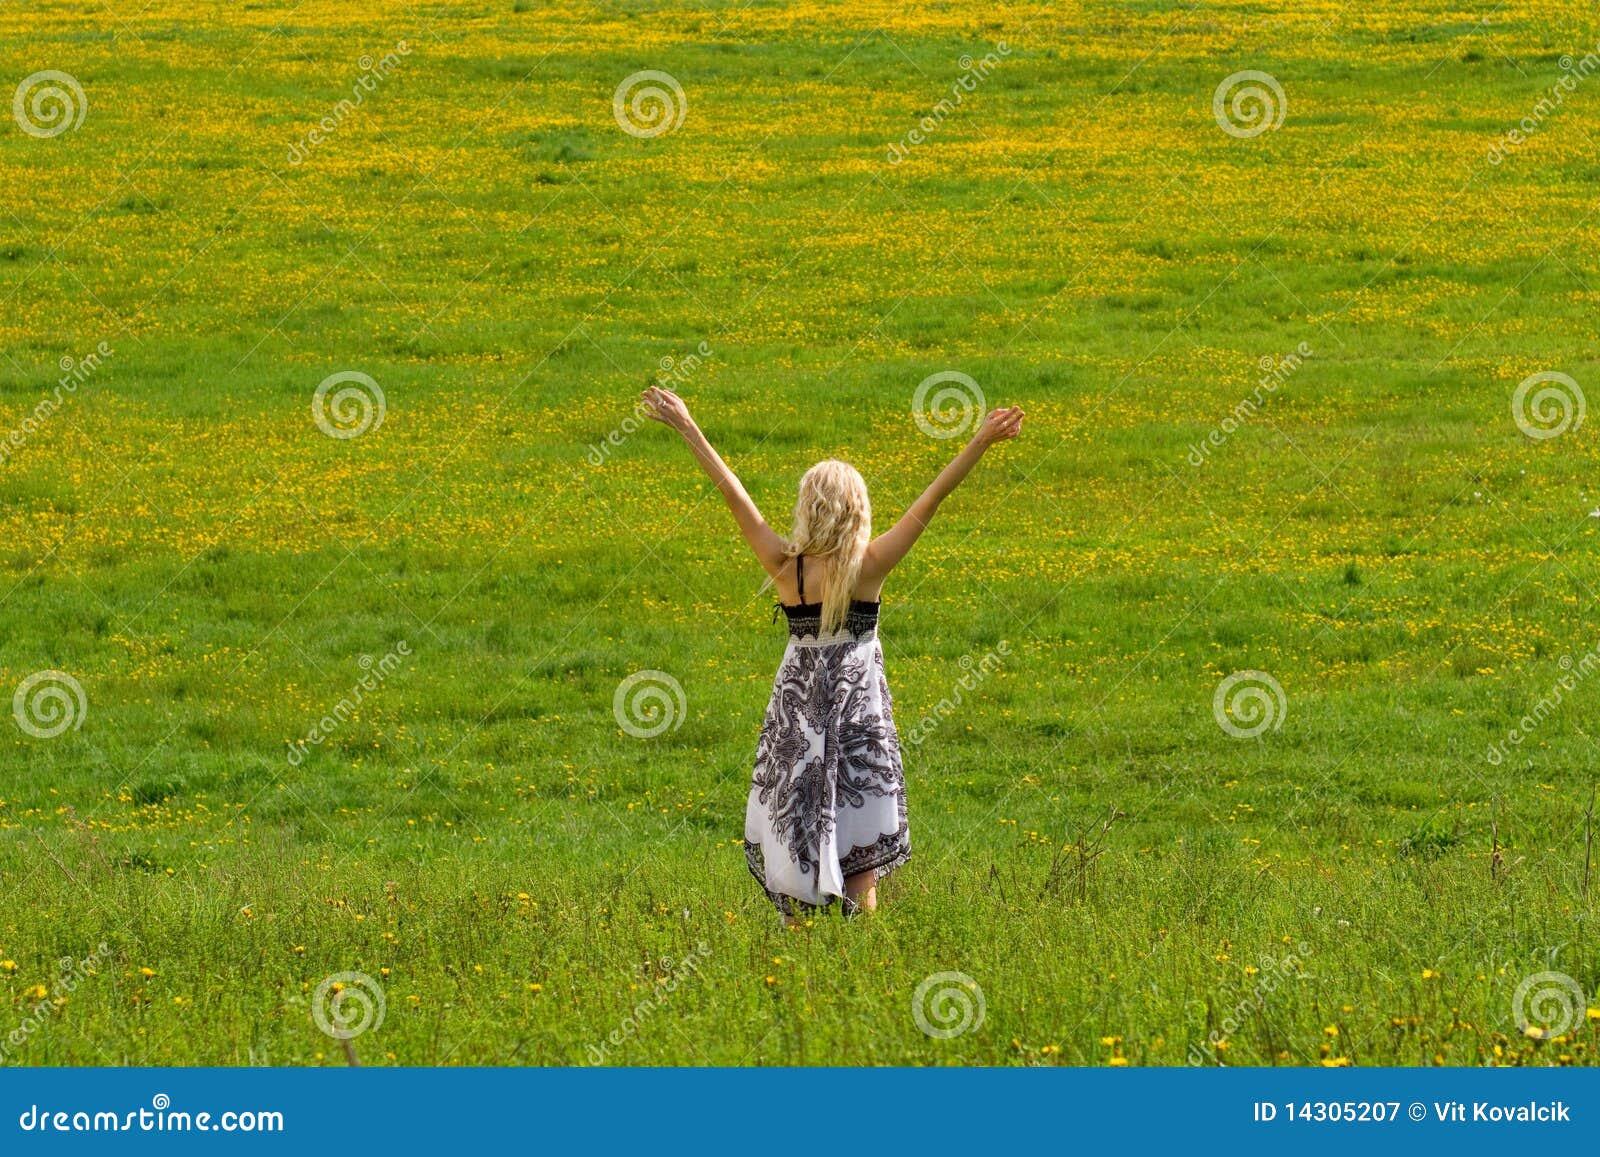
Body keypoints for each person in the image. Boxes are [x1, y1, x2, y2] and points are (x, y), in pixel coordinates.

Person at [642, 385, 1024, 921]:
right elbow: (932, 499)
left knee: (796, 829)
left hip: (796, 715)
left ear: (808, 507)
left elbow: (732, 491)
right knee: (860, 853)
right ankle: (860, 970)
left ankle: (799, 969)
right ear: (857, 509)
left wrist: (687, 426)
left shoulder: (784, 566)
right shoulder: (868, 567)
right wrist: (980, 441)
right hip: (857, 717)